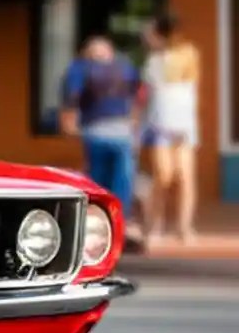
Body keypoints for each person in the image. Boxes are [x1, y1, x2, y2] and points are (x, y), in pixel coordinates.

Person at [60, 36, 141, 232]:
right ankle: (119, 218)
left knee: (100, 176)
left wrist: (68, 123)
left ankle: (100, 218)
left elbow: (71, 97)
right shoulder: (124, 68)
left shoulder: (80, 68)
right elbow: (137, 97)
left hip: (99, 130)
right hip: (119, 131)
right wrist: (134, 123)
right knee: (122, 176)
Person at [141, 14, 201, 245]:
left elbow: (181, 78)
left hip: (184, 124)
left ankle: (184, 227)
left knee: (185, 177)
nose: (147, 38)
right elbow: (148, 93)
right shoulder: (153, 61)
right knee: (163, 175)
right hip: (160, 124)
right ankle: (154, 225)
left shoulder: (187, 53)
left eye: (151, 34)